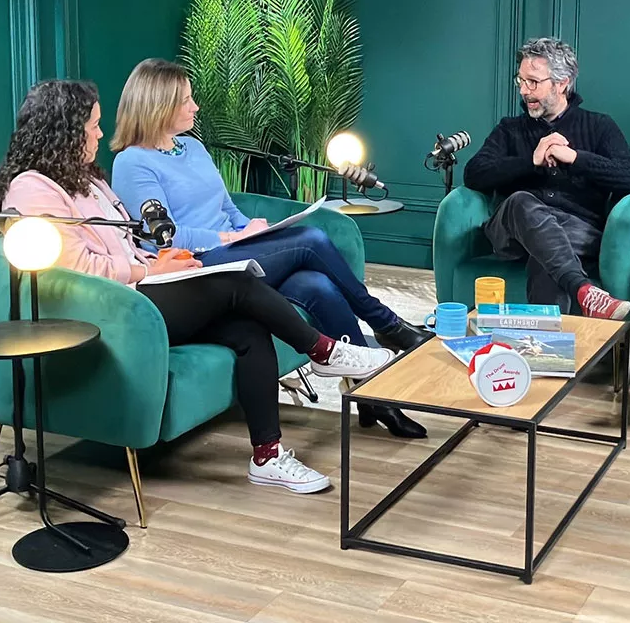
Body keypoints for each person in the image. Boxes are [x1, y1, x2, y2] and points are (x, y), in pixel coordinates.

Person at [0, 80, 399, 493]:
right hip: (115, 310)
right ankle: (324, 350)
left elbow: (128, 240)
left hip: (142, 291)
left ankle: (267, 456)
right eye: (91, 125)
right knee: (236, 280)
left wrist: (159, 261)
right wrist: (149, 271)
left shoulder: (87, 179)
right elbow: (77, 266)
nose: (99, 133)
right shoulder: (32, 188)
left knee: (248, 329)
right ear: (62, 130)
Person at [109, 58, 428, 439]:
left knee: (316, 286)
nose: (195, 106)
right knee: (312, 240)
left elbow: (226, 208)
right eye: (185, 101)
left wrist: (251, 228)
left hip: (235, 250)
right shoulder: (132, 163)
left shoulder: (191, 147)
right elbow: (167, 236)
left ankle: (374, 398)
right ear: (157, 107)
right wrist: (229, 239)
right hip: (199, 268)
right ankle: (387, 324)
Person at [464, 37, 630, 316]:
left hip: (576, 230)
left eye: (533, 82)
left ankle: (547, 344)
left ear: (562, 83)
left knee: (547, 256)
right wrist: (531, 161)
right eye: (521, 80)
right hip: (513, 232)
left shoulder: (599, 126)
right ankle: (584, 290)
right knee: (521, 201)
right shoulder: (510, 129)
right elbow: (474, 173)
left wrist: (575, 158)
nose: (524, 90)